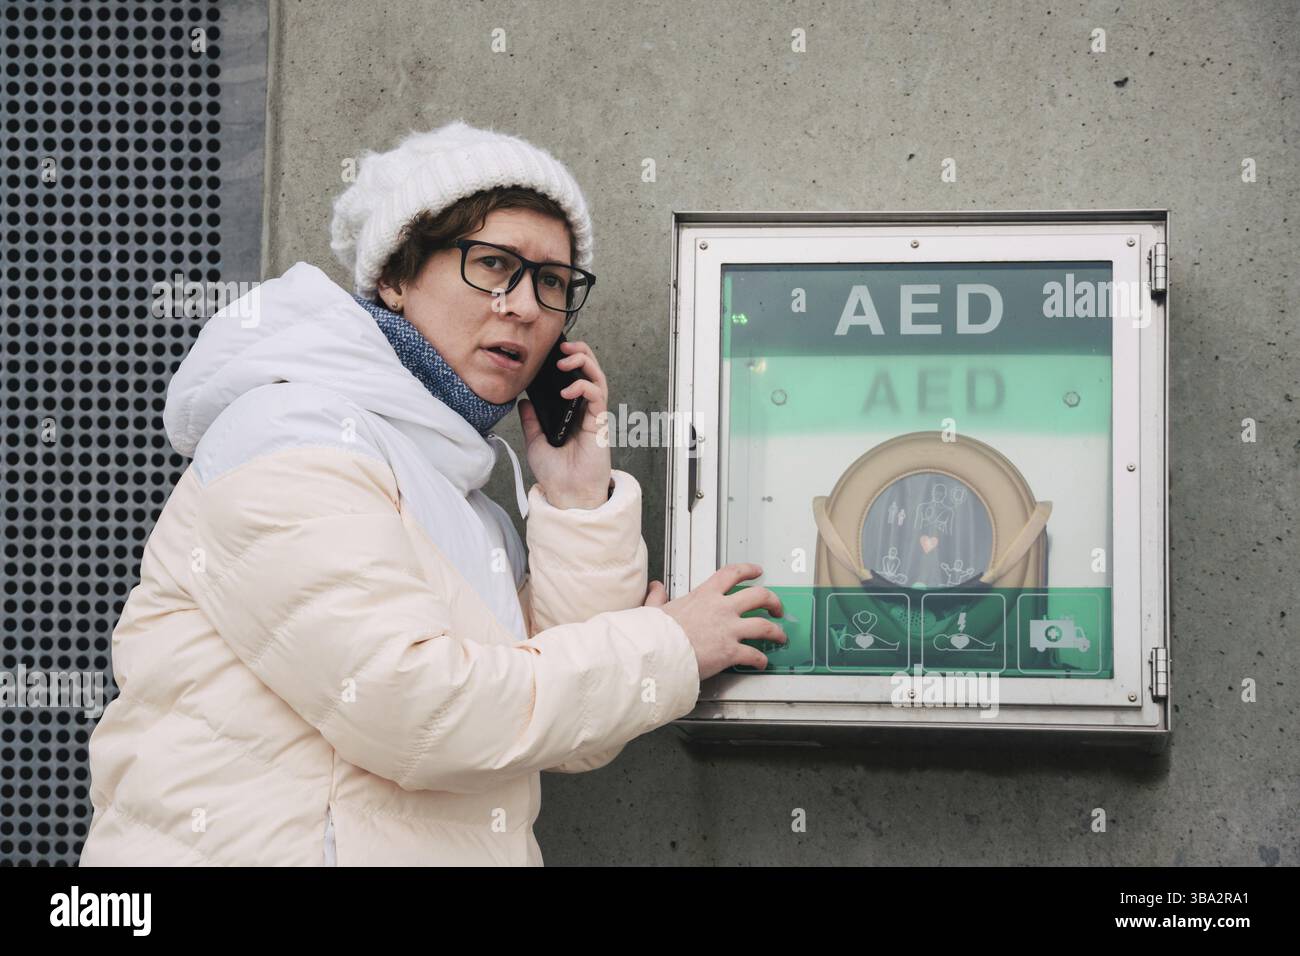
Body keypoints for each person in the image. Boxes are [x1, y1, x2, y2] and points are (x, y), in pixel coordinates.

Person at [79, 119, 785, 866]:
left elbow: (573, 735)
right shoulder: (293, 434)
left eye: (552, 282)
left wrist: (576, 498)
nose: (523, 306)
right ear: (395, 275)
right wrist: (670, 644)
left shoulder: (462, 495)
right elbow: (415, 711)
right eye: (491, 264)